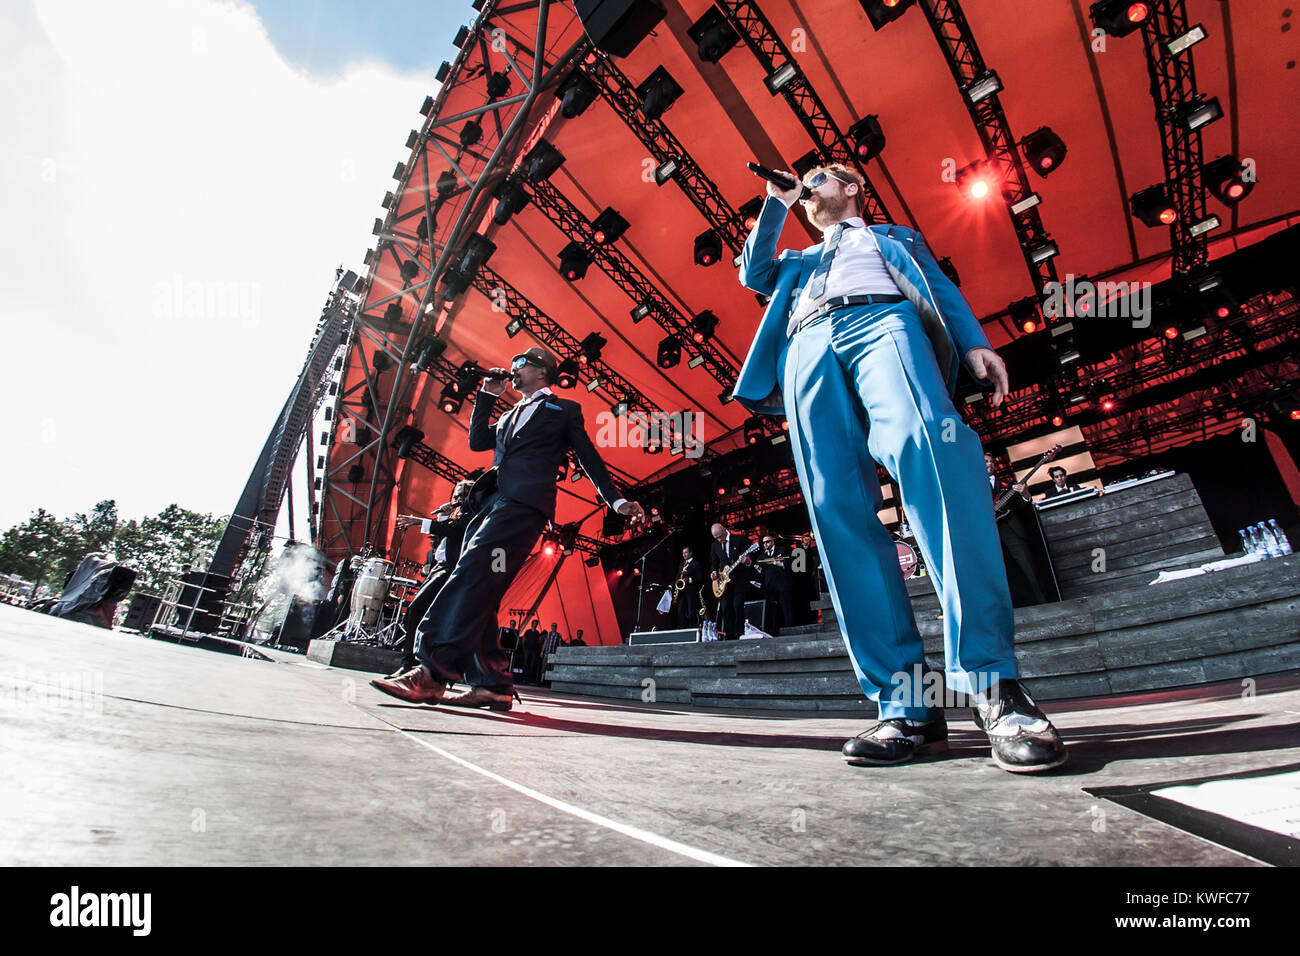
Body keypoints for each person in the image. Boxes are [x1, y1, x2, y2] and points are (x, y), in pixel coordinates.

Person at [733, 162, 1066, 772]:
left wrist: (974, 343)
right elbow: (753, 271)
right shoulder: (798, 260)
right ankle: (907, 702)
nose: (809, 186)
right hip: (804, 351)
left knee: (935, 461)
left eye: (820, 176)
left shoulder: (892, 236)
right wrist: (775, 205)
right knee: (836, 514)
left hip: (882, 321)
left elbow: (940, 287)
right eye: (802, 180)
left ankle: (992, 686)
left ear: (852, 186)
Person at [370, 347, 644, 711]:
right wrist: (486, 397)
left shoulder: (563, 410)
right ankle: (492, 682)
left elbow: (587, 457)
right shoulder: (510, 414)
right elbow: (478, 442)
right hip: (488, 506)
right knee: (481, 584)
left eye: (520, 365)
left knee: (472, 571)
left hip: (524, 506)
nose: (513, 370)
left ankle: (432, 673)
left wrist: (615, 500)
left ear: (542, 371)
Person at [384, 480, 474, 678]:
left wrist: (419, 521)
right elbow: (444, 531)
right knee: (414, 613)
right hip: (437, 568)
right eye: (456, 495)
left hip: (449, 570)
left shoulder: (472, 515)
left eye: (462, 495)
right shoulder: (454, 514)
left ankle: (412, 663)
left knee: (419, 610)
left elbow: (454, 530)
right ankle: (411, 661)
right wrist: (443, 513)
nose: (458, 499)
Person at [986, 452, 1060, 608]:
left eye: (992, 462)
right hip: (990, 535)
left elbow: (1022, 505)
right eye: (986, 461)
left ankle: (1041, 602)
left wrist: (1025, 494)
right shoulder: (973, 488)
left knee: (1028, 568)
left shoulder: (1007, 484)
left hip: (1012, 531)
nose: (989, 464)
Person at [709, 523, 756, 641]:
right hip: (724, 581)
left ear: (725, 530)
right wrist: (713, 572)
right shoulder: (715, 545)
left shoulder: (739, 539)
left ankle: (740, 633)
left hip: (739, 578)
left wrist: (746, 561)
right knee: (725, 608)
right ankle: (729, 636)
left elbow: (750, 561)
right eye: (716, 538)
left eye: (720, 536)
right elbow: (714, 563)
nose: (719, 540)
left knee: (738, 605)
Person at [756, 533, 797, 632]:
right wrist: (758, 569)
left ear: (772, 541)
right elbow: (763, 574)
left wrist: (781, 564)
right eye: (764, 543)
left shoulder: (782, 550)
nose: (765, 544)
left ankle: (789, 627)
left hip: (782, 583)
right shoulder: (762, 556)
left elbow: (791, 564)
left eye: (767, 542)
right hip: (770, 586)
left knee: (785, 605)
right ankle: (775, 629)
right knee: (773, 608)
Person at [670, 545, 704, 629]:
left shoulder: (696, 563)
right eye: (683, 553)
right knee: (680, 611)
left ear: (690, 553)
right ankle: (682, 630)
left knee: (691, 611)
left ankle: (692, 630)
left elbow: (700, 578)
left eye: (686, 552)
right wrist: (671, 585)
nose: (684, 555)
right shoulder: (682, 565)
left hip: (691, 592)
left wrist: (689, 579)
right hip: (682, 592)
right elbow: (678, 577)